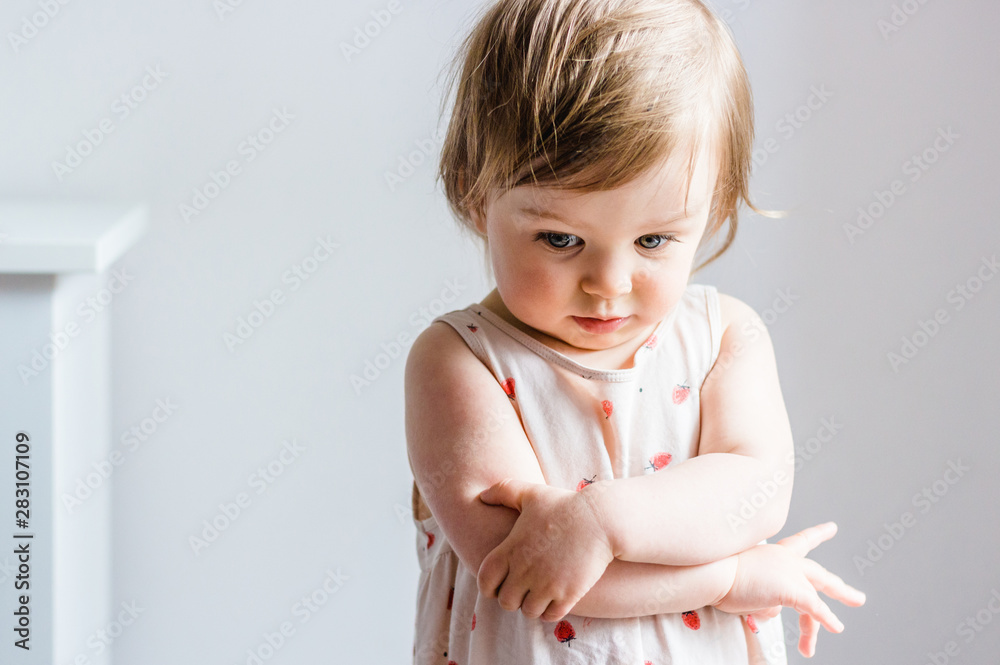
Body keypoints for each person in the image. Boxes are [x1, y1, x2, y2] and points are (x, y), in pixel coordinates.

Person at [405, 1, 866, 663]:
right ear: (477, 194)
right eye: (559, 238)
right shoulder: (458, 362)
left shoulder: (724, 339)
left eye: (653, 240)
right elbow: (525, 573)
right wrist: (730, 578)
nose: (609, 283)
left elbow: (756, 488)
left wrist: (605, 521)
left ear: (714, 203)